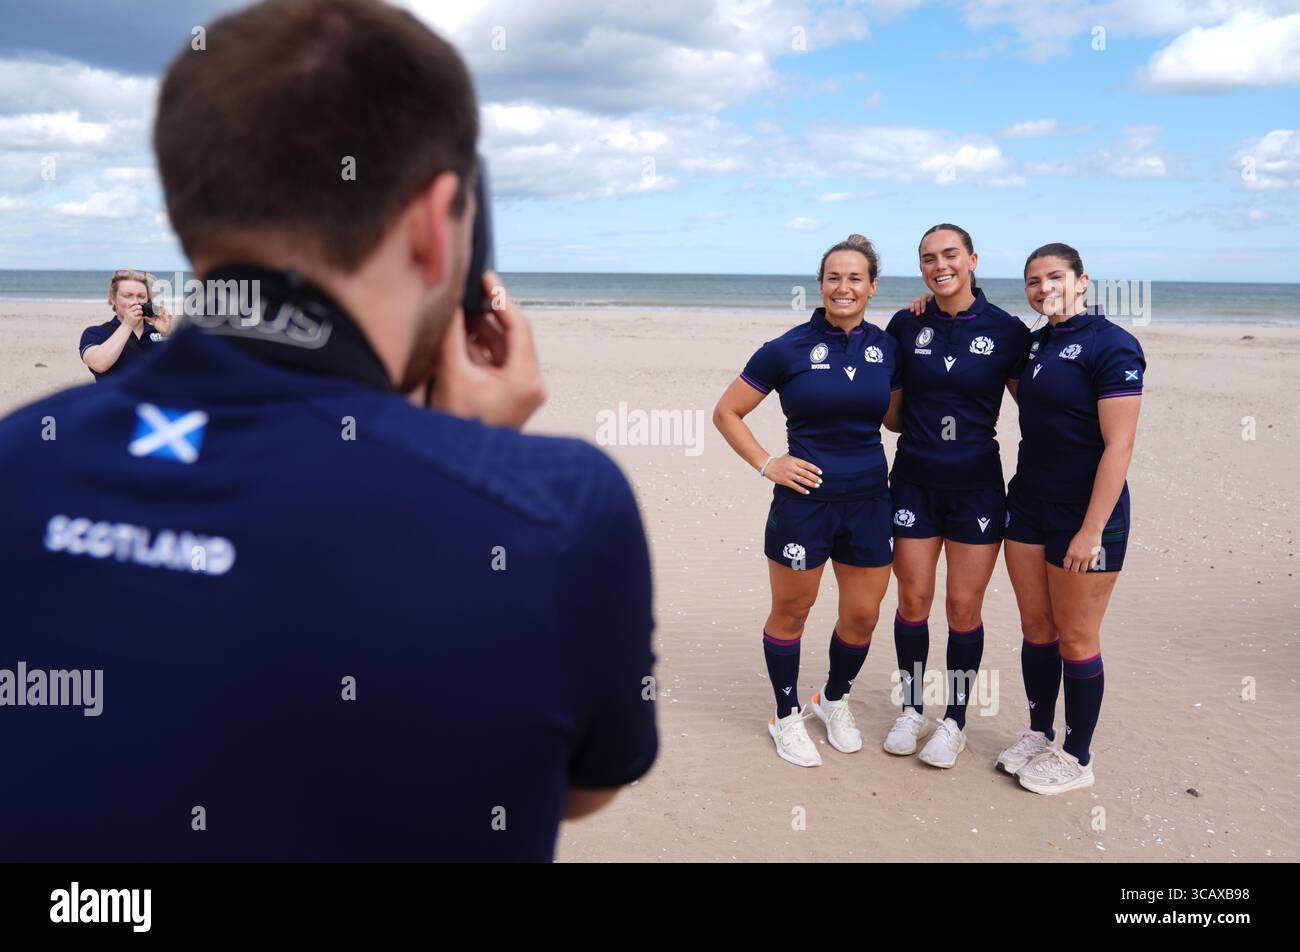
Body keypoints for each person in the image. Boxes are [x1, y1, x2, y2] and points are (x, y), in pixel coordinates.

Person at [0, 0, 656, 862]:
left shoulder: (21, 461)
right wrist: (469, 466)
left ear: (184, 207)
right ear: (438, 222)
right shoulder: (560, 508)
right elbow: (581, 787)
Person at [713, 235, 901, 767]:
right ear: (820, 285)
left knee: (863, 615)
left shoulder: (888, 348)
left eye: (855, 278)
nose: (844, 287)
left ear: (872, 287)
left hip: (870, 501)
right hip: (805, 503)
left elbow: (897, 419)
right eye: (834, 278)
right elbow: (727, 412)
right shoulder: (787, 348)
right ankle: (786, 713)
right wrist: (768, 462)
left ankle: (832, 699)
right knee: (793, 609)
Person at [880, 224, 1031, 768]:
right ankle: (913, 709)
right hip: (914, 482)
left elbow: (1036, 409)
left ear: (972, 259)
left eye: (949, 255)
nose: (938, 265)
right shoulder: (905, 323)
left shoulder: (1009, 332)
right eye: (927, 258)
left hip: (977, 489)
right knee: (913, 601)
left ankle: (955, 721)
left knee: (963, 607)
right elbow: (893, 414)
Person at [997, 242, 1145, 795]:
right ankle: (1039, 732)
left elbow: (1119, 447)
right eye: (1034, 281)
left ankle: (1078, 757)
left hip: (1088, 517)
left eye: (1054, 277)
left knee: (1077, 637)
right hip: (1028, 505)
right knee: (1037, 630)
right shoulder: (1033, 346)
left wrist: (1089, 530)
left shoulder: (1113, 345)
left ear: (1082, 281)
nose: (1043, 289)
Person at [79, 269, 174, 380]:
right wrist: (127, 325)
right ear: (113, 299)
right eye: (128, 296)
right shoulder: (96, 333)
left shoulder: (159, 332)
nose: (135, 301)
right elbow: (99, 364)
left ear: (148, 300)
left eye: (141, 296)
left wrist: (169, 334)